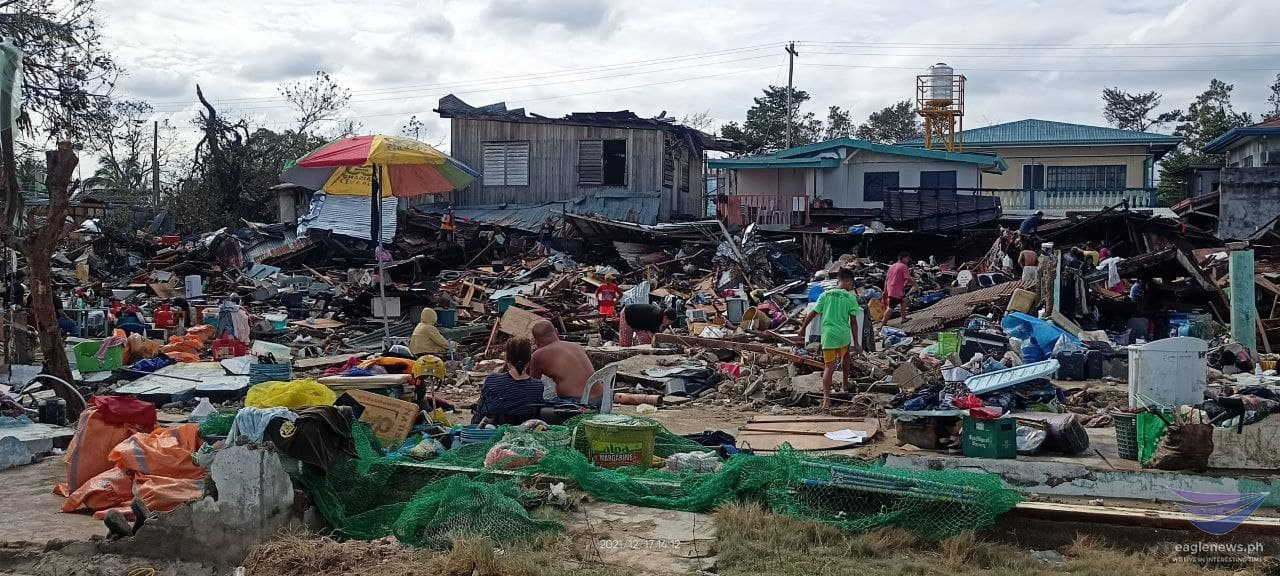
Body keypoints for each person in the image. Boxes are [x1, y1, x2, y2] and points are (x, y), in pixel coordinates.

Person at [799, 268, 863, 409]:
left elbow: (812, 314)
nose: (852, 287)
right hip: (843, 335)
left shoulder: (824, 295)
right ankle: (845, 383)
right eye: (851, 284)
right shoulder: (850, 298)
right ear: (845, 282)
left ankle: (826, 399)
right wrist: (857, 343)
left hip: (828, 336)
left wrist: (803, 329)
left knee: (829, 367)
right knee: (846, 357)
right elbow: (853, 322)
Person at [471, 337, 544, 425]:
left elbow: (481, 412)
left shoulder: (492, 380)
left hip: (494, 433)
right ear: (529, 359)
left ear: (507, 358)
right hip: (526, 432)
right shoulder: (538, 386)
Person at [528, 320, 598, 405]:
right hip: (601, 398)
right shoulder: (576, 346)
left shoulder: (538, 355)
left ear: (535, 340)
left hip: (577, 403)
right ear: (556, 331)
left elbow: (533, 387)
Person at [881, 252, 915, 328]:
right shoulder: (903, 266)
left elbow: (886, 279)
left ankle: (904, 318)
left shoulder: (892, 266)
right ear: (903, 258)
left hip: (892, 288)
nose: (907, 260)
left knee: (904, 300)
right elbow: (908, 278)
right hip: (896, 290)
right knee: (891, 307)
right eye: (907, 258)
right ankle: (883, 324)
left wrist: (885, 290)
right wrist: (915, 285)